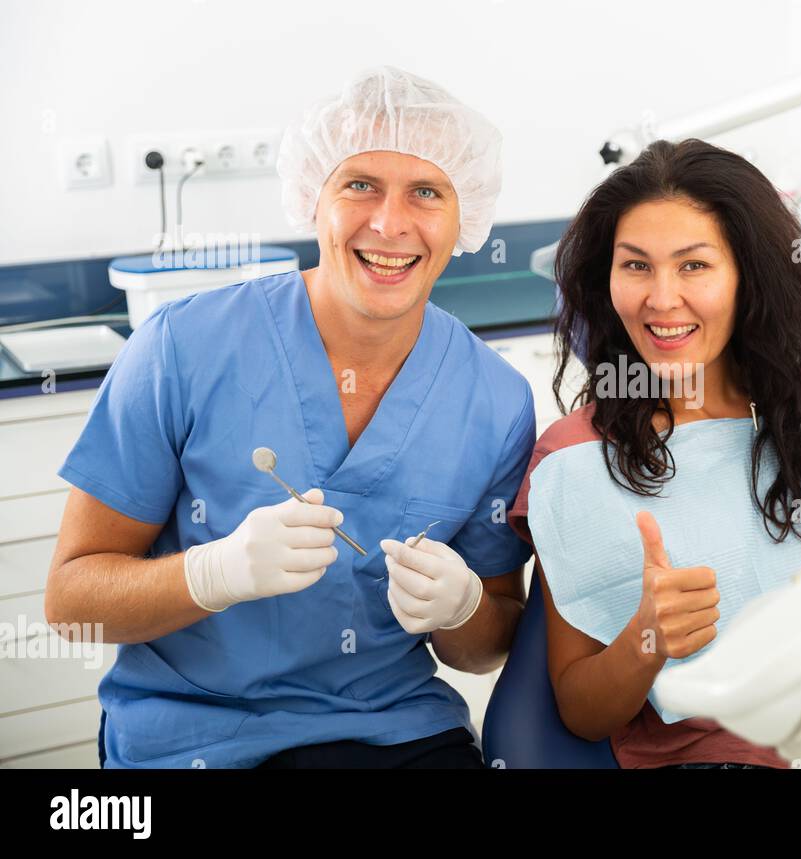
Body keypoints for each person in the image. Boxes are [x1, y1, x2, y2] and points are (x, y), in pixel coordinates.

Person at [45, 67, 535, 768]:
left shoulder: (495, 398)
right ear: (313, 198)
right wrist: (212, 573)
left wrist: (459, 608)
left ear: (467, 219)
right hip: (190, 736)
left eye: (427, 191)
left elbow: (486, 644)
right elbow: (71, 601)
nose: (390, 223)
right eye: (359, 184)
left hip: (392, 731)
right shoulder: (184, 347)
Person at [508, 138, 801, 768]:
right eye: (635, 266)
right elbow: (581, 714)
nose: (662, 299)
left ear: (748, 275)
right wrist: (646, 639)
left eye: (693, 266)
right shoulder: (576, 461)